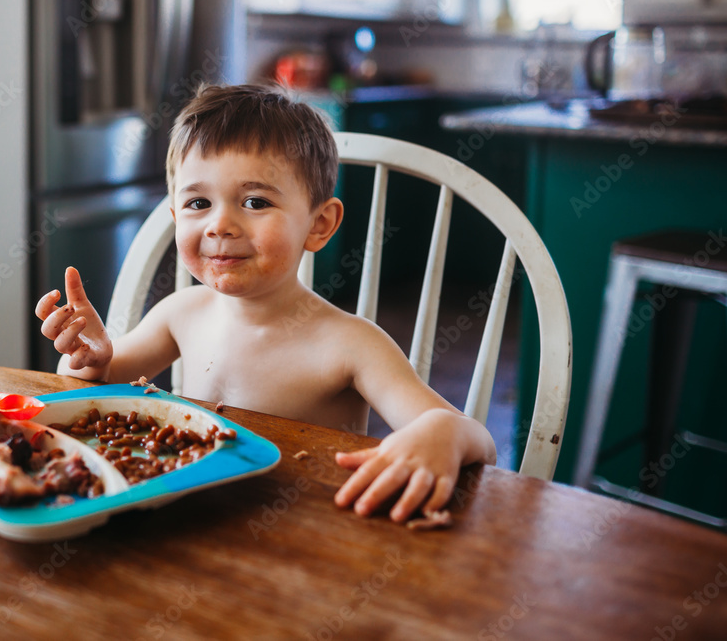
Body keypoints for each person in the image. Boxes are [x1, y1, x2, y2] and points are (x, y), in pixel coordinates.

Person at [35, 83, 496, 524]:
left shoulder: (350, 345)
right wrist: (89, 359)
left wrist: (442, 434)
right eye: (198, 203)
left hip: (303, 534)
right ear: (175, 216)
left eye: (254, 201)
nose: (220, 225)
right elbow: (86, 394)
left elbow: (479, 441)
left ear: (319, 224)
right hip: (185, 520)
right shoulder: (180, 314)